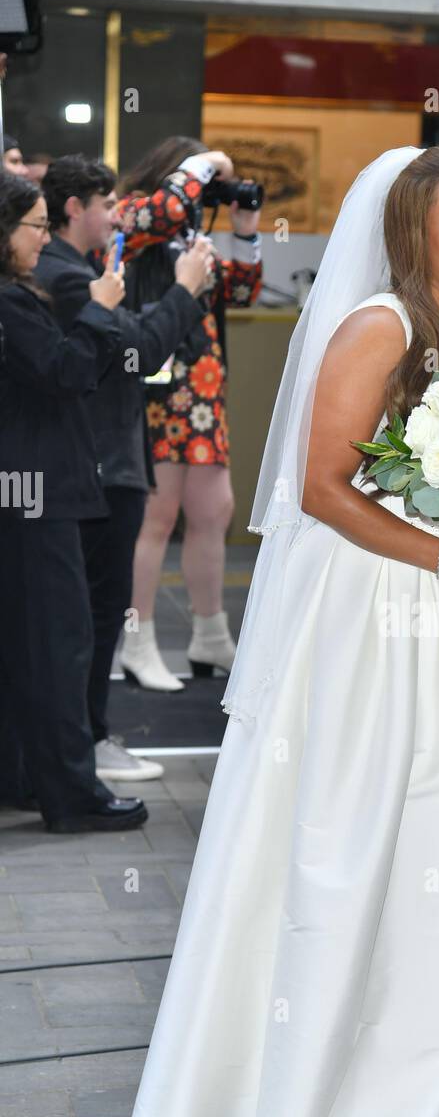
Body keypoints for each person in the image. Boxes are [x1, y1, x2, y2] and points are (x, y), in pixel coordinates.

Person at [126, 145, 439, 1117]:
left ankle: (422, 1069)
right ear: (408, 234)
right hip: (380, 615)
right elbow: (319, 489)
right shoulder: (378, 326)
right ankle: (313, 1085)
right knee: (359, 830)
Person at [35, 154, 216, 784]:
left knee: (92, 616)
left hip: (108, 459)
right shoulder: (65, 276)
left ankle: (84, 739)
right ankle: (84, 743)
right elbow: (137, 350)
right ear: (72, 211)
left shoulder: (85, 268)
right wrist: (185, 290)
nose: (115, 216)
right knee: (91, 615)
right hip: (97, 466)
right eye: (105, 205)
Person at [0, 173, 148, 831]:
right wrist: (100, 310)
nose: (40, 236)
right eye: (32, 225)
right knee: (59, 642)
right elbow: (65, 372)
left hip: (22, 489)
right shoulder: (12, 300)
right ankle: (71, 795)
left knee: (30, 642)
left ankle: (26, 777)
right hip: (37, 493)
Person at [101, 138, 263, 690]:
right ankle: (138, 640)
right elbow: (168, 209)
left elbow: (241, 291)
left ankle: (210, 635)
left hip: (204, 391)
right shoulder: (132, 214)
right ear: (176, 174)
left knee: (214, 510)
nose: (204, 193)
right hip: (155, 387)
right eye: (201, 182)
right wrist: (207, 162)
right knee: (157, 516)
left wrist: (244, 227)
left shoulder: (191, 235)